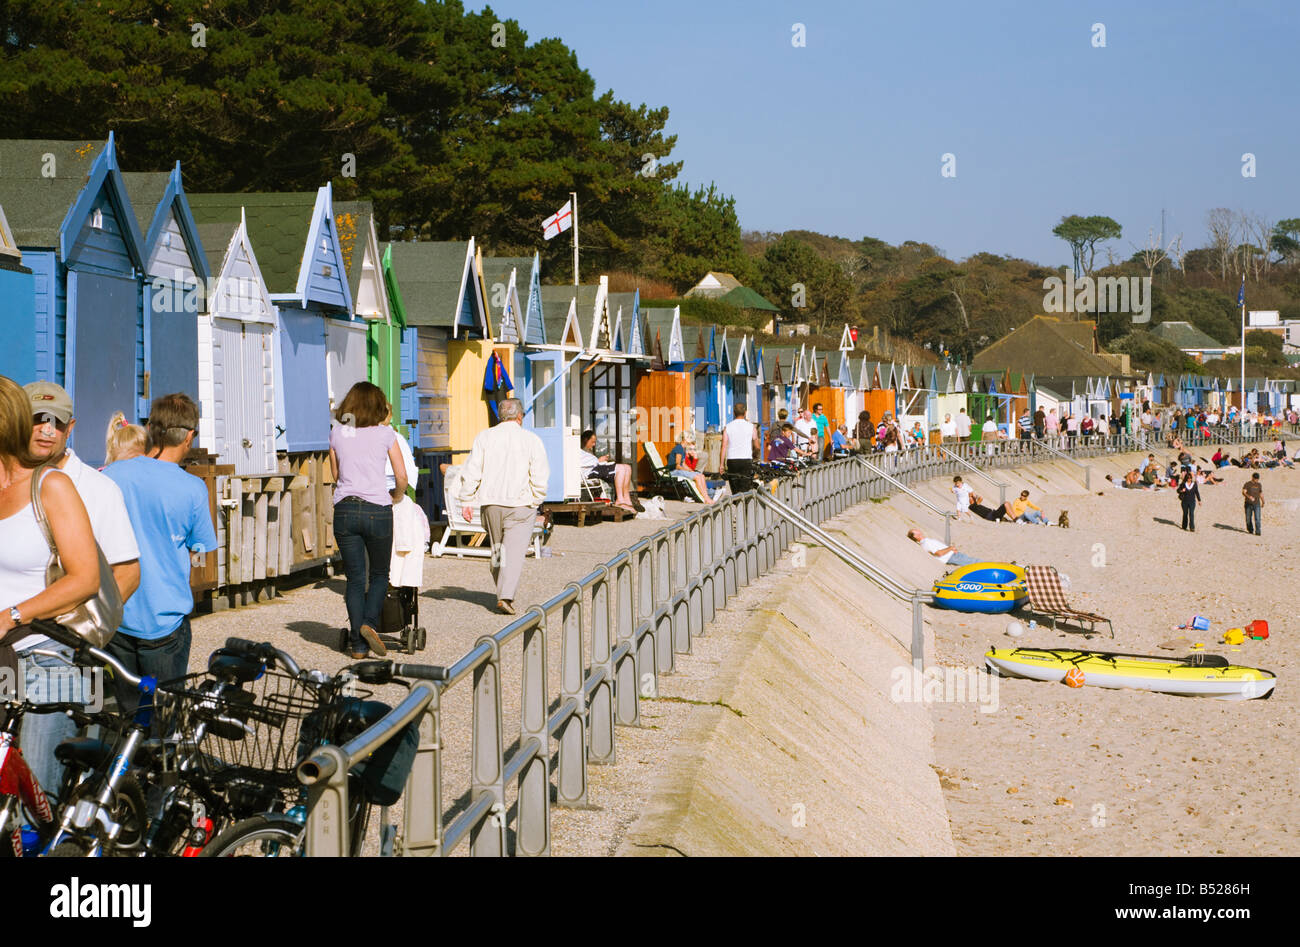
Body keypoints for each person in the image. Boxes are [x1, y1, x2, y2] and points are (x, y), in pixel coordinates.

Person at [0, 376, 102, 798]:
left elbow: (86, 578)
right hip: (3, 655)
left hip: (46, 655)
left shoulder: (51, 487)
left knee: (35, 793)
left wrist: (12, 615)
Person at [104, 393, 218, 707]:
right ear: (190, 435)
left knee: (130, 715)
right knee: (163, 714)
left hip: (118, 613)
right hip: (165, 619)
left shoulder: (110, 477)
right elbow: (200, 550)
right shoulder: (192, 488)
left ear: (152, 428)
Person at [324, 383, 408, 658]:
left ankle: (358, 647)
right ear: (377, 406)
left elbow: (336, 475)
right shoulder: (386, 433)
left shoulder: (338, 433)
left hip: (345, 510)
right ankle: (369, 624)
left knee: (355, 579)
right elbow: (401, 477)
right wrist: (396, 496)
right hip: (378, 509)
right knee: (380, 574)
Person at [458, 397, 548, 615]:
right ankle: (505, 595)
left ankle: (502, 589)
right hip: (520, 503)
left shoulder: (484, 437)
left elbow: (472, 471)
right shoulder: (531, 440)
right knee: (514, 553)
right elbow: (540, 473)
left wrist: (466, 500)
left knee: (499, 548)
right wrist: (536, 499)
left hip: (491, 504)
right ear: (520, 416)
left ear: (500, 416)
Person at [578, 430, 635, 512]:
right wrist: (598, 461)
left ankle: (627, 499)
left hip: (596, 467)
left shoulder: (586, 451)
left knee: (627, 467)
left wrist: (600, 461)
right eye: (592, 442)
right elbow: (582, 463)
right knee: (621, 468)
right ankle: (620, 500)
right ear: (585, 440)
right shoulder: (577, 451)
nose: (594, 445)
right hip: (590, 472)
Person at [666, 431, 716, 503]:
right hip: (674, 472)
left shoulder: (682, 448)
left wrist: (690, 471)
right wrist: (688, 471)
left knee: (701, 476)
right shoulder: (679, 448)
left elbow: (683, 464)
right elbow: (677, 465)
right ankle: (706, 498)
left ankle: (706, 496)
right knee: (697, 477)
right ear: (686, 440)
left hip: (678, 470)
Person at [720, 402, 760, 492]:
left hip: (732, 460)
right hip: (746, 460)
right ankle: (744, 504)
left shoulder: (728, 427)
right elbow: (757, 447)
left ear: (734, 413)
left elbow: (723, 446)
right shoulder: (751, 427)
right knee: (745, 488)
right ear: (745, 412)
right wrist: (755, 457)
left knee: (735, 488)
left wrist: (721, 465)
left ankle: (737, 503)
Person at [907, 528, 983, 567]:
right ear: (915, 536)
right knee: (974, 562)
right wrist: (950, 548)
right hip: (950, 557)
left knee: (972, 562)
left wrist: (951, 549)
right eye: (915, 531)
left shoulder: (925, 541)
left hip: (951, 555)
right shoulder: (925, 543)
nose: (918, 530)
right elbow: (939, 553)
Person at [1243, 472, 1263, 536]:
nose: (1256, 480)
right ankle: (1250, 529)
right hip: (1248, 503)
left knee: (1257, 518)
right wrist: (1249, 497)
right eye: (1255, 479)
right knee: (1248, 518)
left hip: (1257, 503)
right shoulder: (1247, 484)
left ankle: (1258, 531)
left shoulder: (1259, 484)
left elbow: (1260, 493)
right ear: (1252, 478)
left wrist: (1263, 501)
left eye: (1257, 479)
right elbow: (1243, 492)